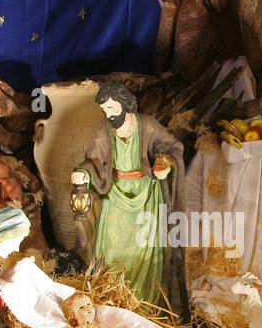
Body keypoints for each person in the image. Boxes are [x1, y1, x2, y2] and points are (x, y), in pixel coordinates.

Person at [70, 81, 186, 312]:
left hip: (146, 196)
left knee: (144, 251)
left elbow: (173, 148)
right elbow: (92, 162)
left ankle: (144, 305)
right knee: (111, 247)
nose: (108, 114)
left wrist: (165, 163)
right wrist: (81, 173)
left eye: (112, 109)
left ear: (125, 104)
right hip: (115, 193)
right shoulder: (103, 130)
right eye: (104, 110)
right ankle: (112, 301)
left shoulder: (147, 125)